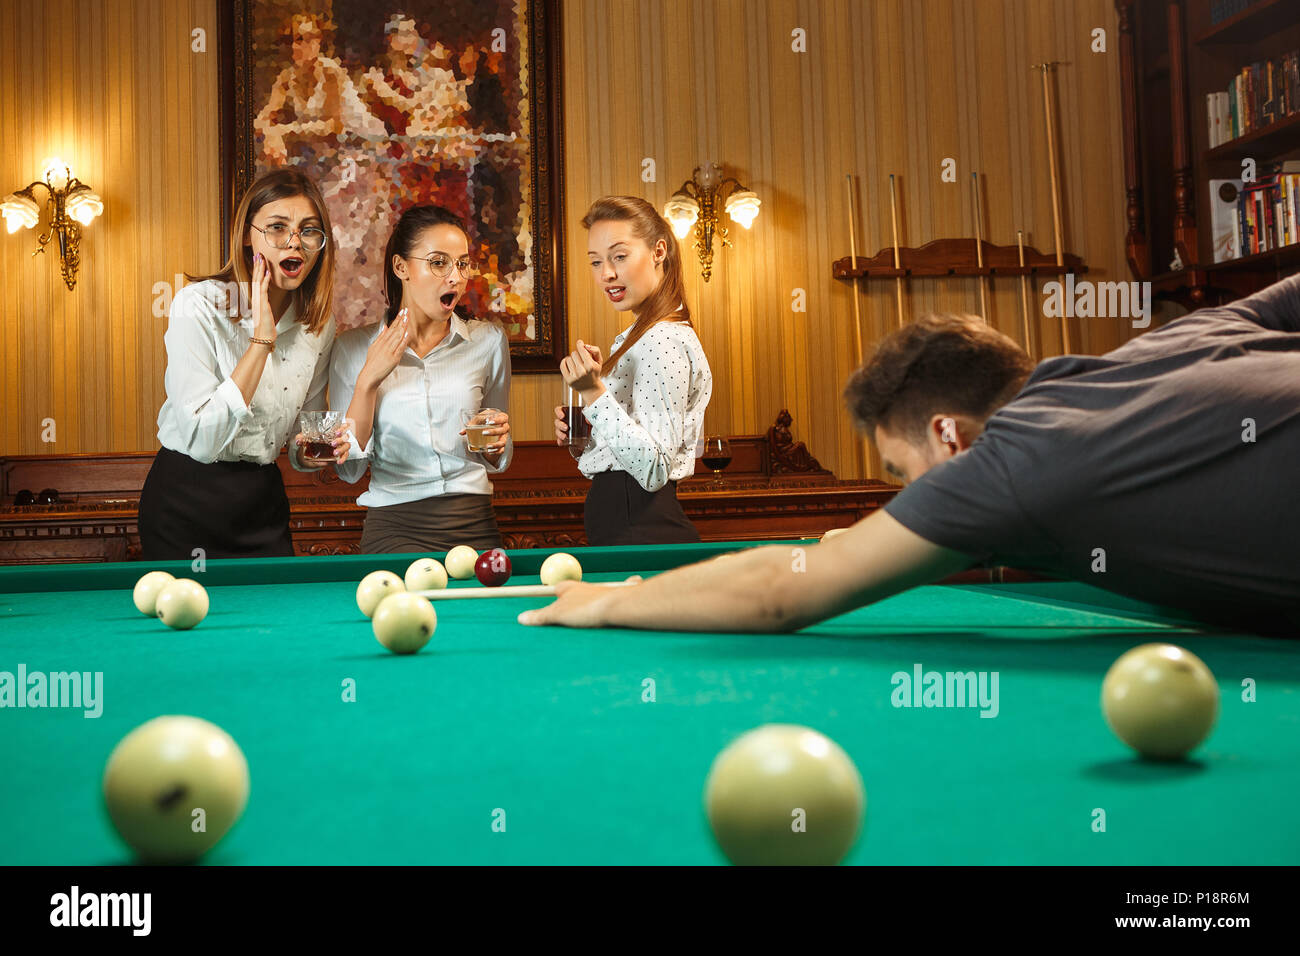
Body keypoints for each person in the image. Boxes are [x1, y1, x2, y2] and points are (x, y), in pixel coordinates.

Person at [522, 273, 1300, 637]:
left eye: (902, 474)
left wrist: (611, 603)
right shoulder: (1177, 339)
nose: (909, 497)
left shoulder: (1011, 463)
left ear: (948, 436)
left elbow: (782, 592)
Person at [138, 168, 347, 560]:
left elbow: (301, 440)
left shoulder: (319, 325)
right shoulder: (197, 305)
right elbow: (202, 441)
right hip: (185, 502)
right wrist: (261, 341)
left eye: (308, 231)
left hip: (262, 503)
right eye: (277, 227)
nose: (294, 242)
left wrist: (315, 450)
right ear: (247, 235)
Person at [330, 204, 512, 552]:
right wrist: (367, 381)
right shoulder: (352, 348)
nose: (455, 277)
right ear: (401, 267)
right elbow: (349, 470)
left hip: (474, 524)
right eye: (439, 262)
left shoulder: (488, 342)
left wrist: (495, 441)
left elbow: (499, 454)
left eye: (462, 264)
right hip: (393, 528)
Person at [553, 196, 712, 546]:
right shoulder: (642, 337)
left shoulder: (661, 339)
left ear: (658, 251)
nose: (606, 274)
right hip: (630, 524)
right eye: (596, 262)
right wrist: (588, 435)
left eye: (619, 256)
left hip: (642, 527)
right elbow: (631, 451)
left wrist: (593, 392)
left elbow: (653, 468)